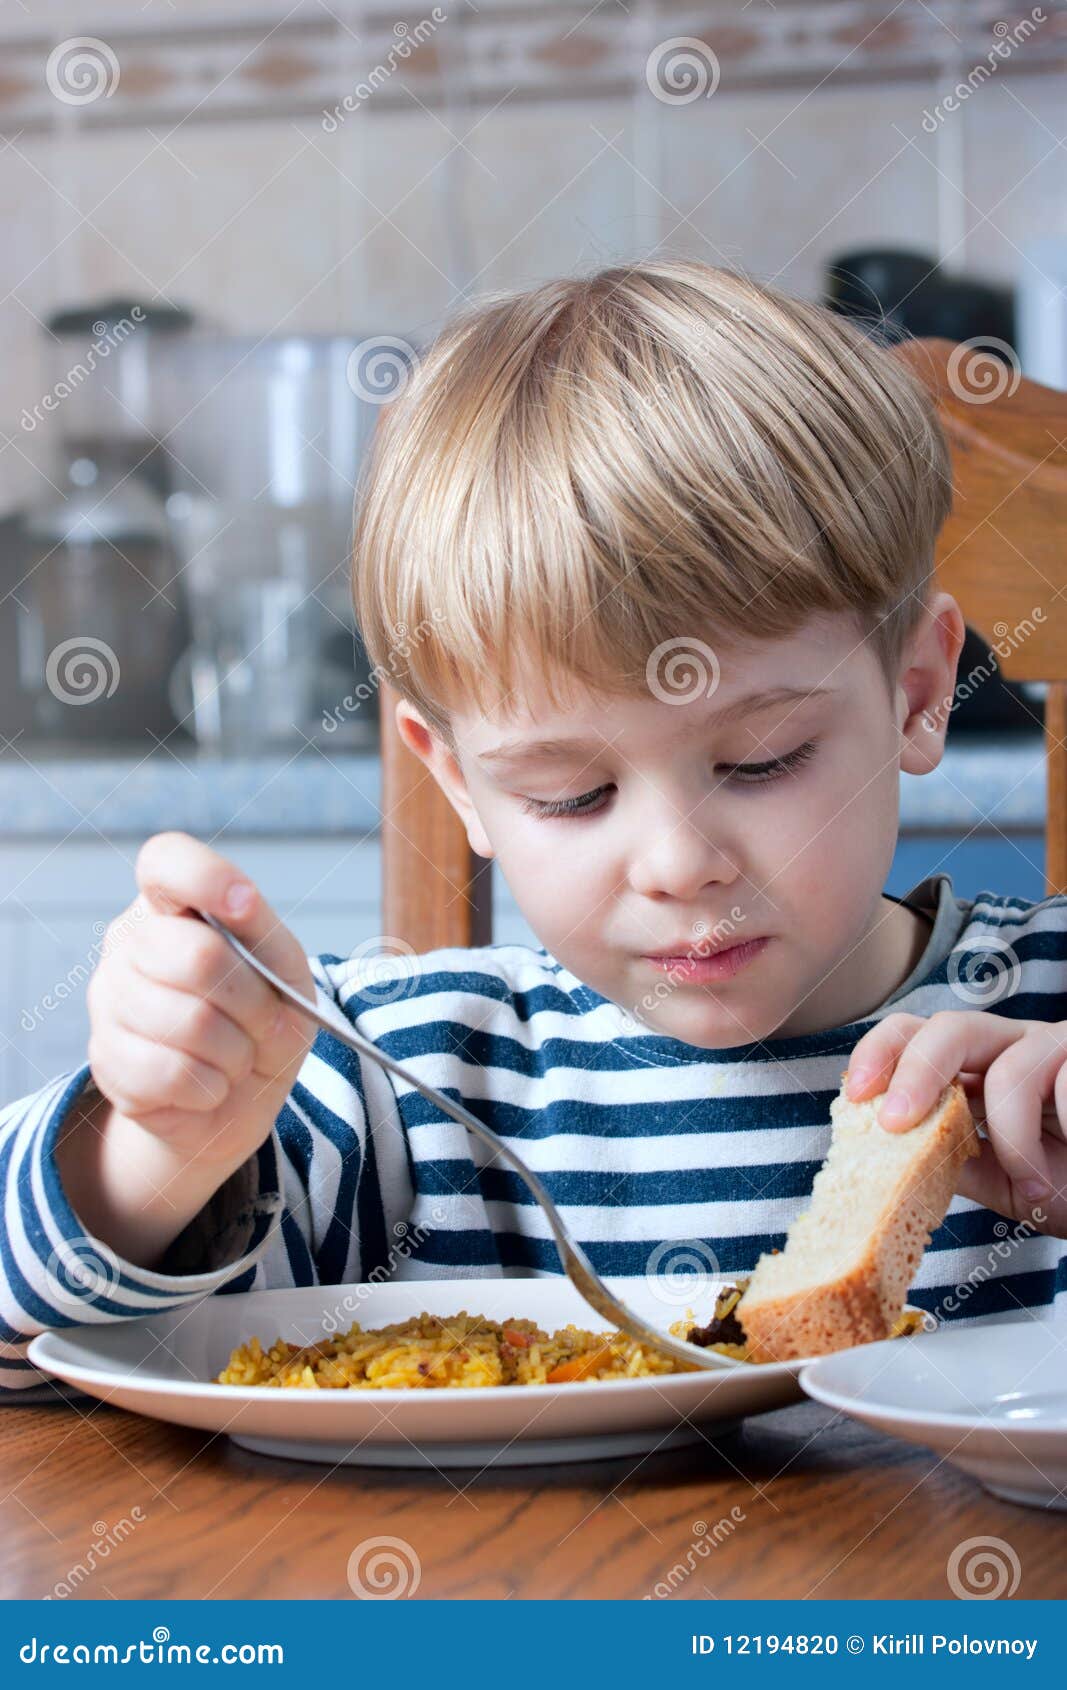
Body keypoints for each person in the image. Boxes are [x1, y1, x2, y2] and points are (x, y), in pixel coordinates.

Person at [3, 259, 1064, 1404]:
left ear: (915, 693)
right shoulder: (398, 1078)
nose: (674, 864)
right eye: (569, 794)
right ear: (457, 781)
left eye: (759, 761)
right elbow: (36, 1365)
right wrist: (157, 1156)